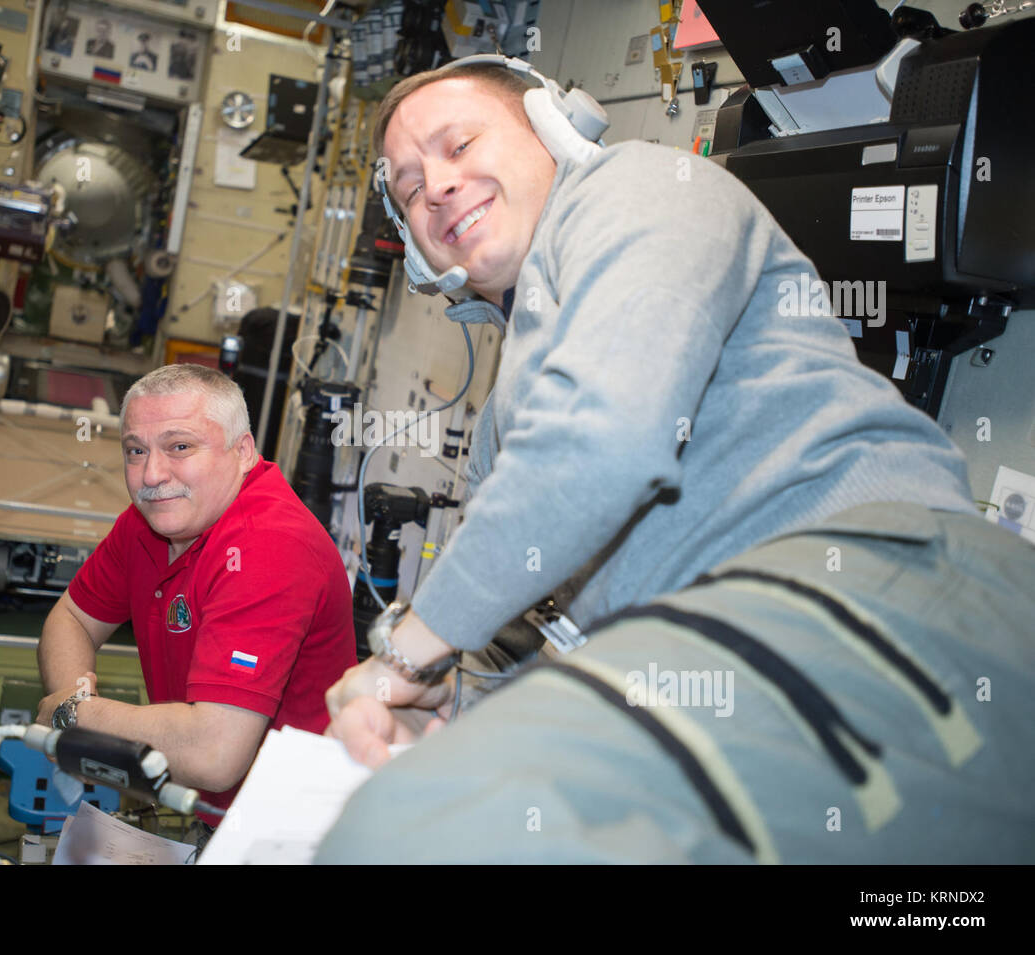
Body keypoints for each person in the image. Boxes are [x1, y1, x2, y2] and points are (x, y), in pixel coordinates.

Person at [316, 60, 1035, 863]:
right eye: (411, 188)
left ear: (558, 127)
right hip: (749, 657)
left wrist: (405, 654)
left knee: (406, 835)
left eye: (459, 145)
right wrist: (447, 707)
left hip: (888, 589)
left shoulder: (639, 188)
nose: (439, 188)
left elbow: (606, 440)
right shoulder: (505, 423)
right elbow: (515, 632)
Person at [37, 364, 356, 822]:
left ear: (243, 451)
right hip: (206, 809)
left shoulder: (270, 547)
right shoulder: (147, 523)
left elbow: (213, 754)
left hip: (289, 832)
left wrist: (75, 717)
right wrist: (73, 698)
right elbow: (72, 618)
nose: (151, 474)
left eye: (180, 446)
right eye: (135, 451)